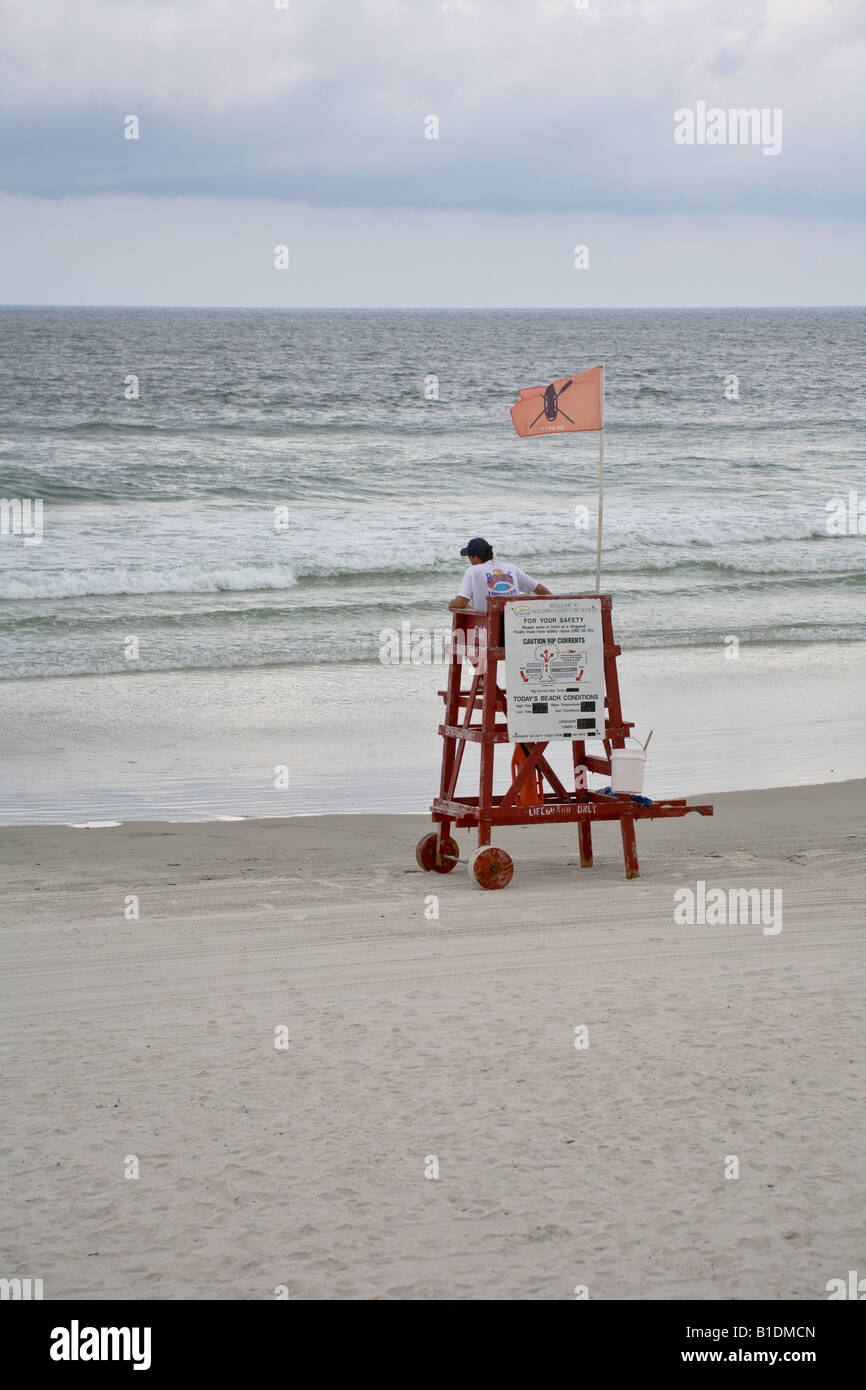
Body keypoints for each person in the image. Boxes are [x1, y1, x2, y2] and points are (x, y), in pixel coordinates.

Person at [448, 538, 551, 612]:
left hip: (489, 625)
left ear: (475, 557)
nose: (469, 559)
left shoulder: (473, 571)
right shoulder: (512, 569)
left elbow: (459, 604)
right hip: (515, 623)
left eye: (469, 556)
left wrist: (452, 603)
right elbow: (541, 590)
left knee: (464, 605)